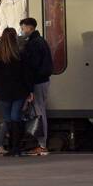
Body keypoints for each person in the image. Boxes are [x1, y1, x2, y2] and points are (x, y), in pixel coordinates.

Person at [0, 28, 35, 158]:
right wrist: (30, 90)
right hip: (19, 91)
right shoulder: (20, 54)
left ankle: (12, 146)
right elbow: (27, 74)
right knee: (16, 117)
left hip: (3, 91)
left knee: (8, 119)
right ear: (14, 38)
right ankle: (16, 147)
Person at [20, 18, 54, 156]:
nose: (22, 31)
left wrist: (29, 87)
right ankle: (41, 144)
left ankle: (42, 145)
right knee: (40, 111)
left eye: (23, 28)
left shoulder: (33, 44)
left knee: (39, 113)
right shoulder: (41, 41)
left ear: (29, 28)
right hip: (43, 80)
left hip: (38, 82)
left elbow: (31, 67)